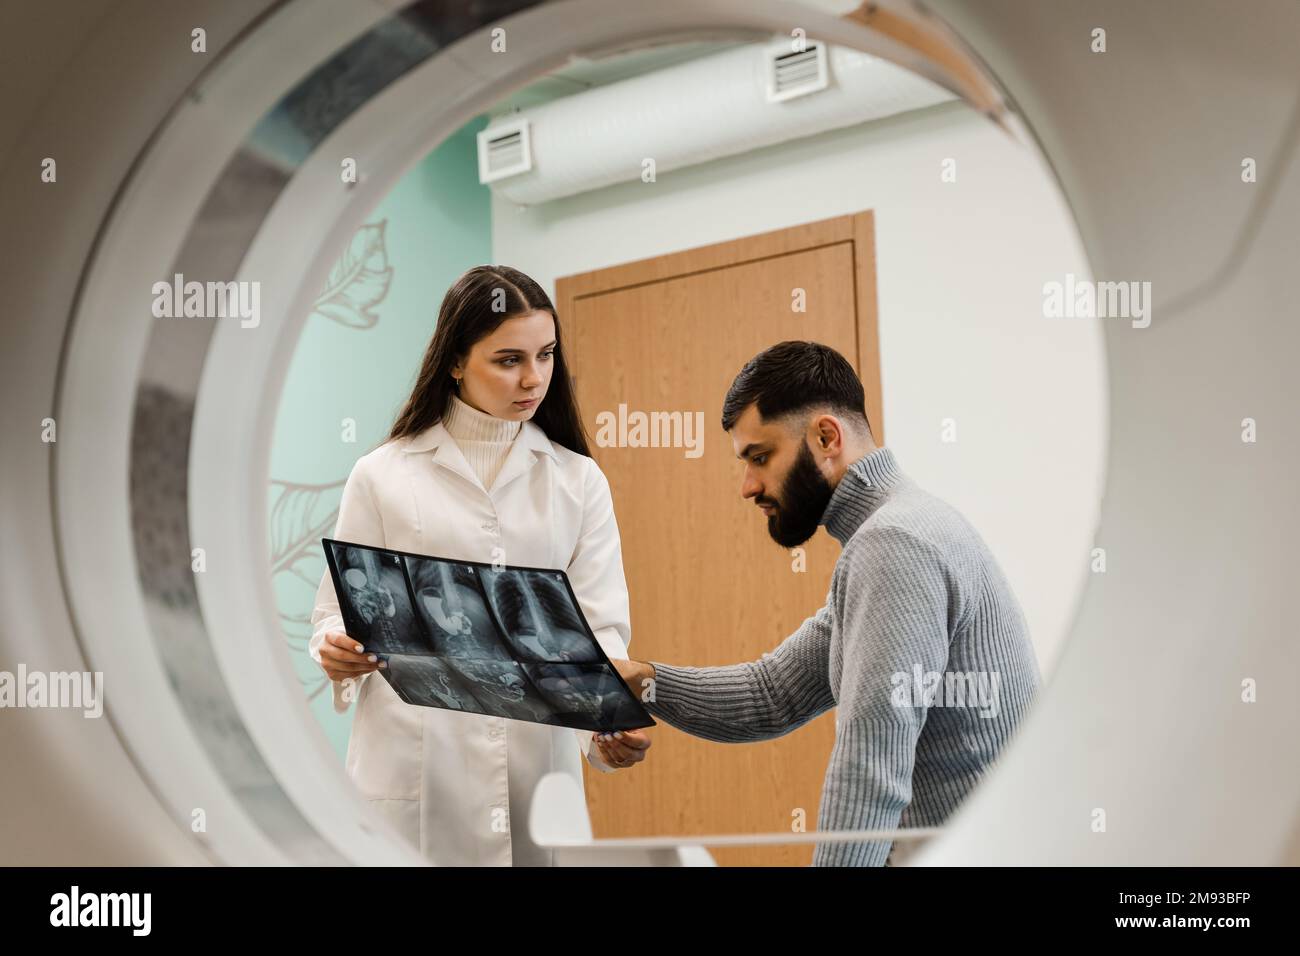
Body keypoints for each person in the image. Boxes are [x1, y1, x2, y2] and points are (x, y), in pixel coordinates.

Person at [610, 341, 1040, 866]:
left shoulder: (894, 543)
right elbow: (772, 694)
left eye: (760, 458)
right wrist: (641, 681)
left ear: (825, 436)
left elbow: (870, 762)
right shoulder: (897, 530)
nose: (748, 486)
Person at [309, 265, 651, 866]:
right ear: (455, 361)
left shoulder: (577, 481)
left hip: (535, 773)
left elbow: (601, 634)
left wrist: (607, 730)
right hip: (415, 773)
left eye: (546, 355)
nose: (534, 378)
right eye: (508, 359)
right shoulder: (382, 475)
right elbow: (334, 616)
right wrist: (334, 651)